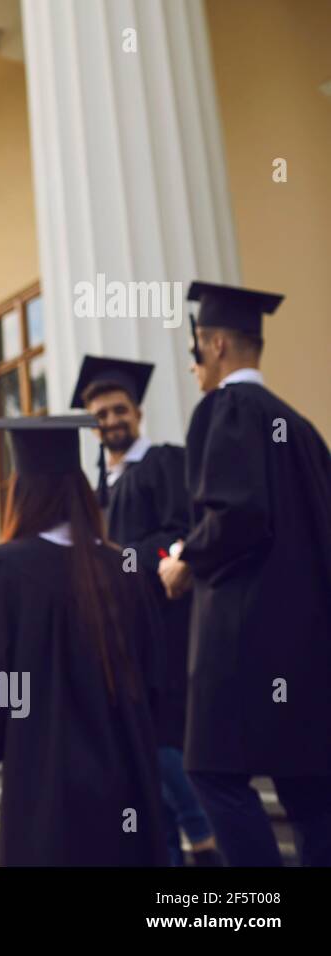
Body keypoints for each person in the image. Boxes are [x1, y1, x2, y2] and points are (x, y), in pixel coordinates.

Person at [158, 281, 331, 866]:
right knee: (309, 792)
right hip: (307, 649)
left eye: (195, 353)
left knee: (210, 773)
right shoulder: (301, 427)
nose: (194, 368)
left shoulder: (226, 408)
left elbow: (236, 513)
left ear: (217, 346)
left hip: (242, 642)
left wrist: (187, 558)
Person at [0, 416, 168, 866]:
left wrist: (17, 731)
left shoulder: (4, 573)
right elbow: (157, 686)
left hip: (47, 798)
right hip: (131, 795)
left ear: (22, 494)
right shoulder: (126, 572)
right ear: (82, 490)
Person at [73, 355, 220, 866]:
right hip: (113, 632)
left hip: (162, 624)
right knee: (136, 753)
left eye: (119, 410)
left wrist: (123, 560)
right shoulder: (93, 490)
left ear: (137, 413)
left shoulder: (164, 463)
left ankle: (204, 837)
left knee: (161, 738)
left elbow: (183, 533)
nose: (111, 421)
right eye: (101, 415)